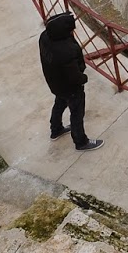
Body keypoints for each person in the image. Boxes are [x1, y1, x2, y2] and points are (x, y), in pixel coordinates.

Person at [38, 11, 102, 151]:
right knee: (77, 113)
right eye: (71, 30)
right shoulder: (66, 50)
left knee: (59, 103)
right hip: (70, 88)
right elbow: (74, 76)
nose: (73, 32)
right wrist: (83, 78)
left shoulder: (44, 37)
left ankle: (56, 129)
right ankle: (81, 142)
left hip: (55, 82)